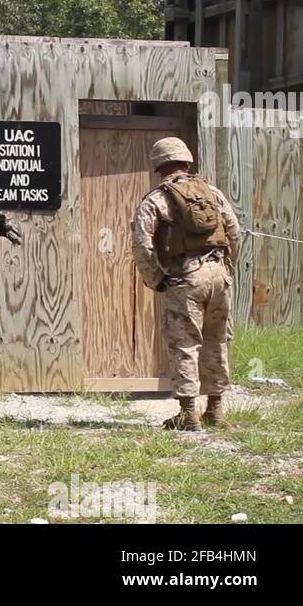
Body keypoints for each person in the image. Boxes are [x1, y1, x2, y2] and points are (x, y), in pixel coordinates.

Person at [131, 137, 241, 431]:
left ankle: (188, 413)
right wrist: (225, 267)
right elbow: (234, 231)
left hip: (185, 278)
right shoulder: (212, 192)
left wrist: (156, 278)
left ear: (158, 166)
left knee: (184, 343)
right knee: (217, 339)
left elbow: (142, 245)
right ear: (187, 161)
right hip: (219, 274)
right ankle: (216, 409)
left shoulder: (156, 199)